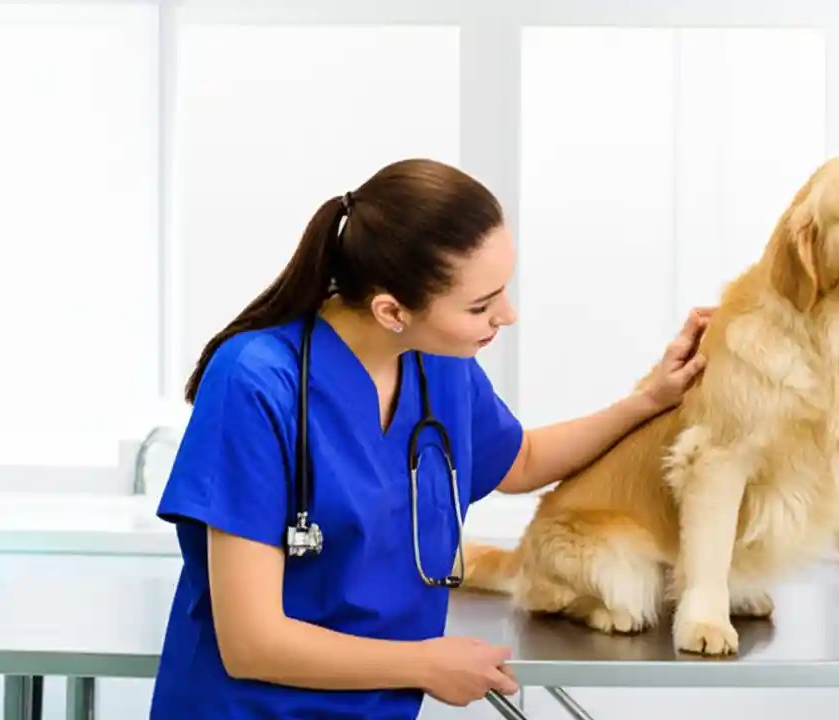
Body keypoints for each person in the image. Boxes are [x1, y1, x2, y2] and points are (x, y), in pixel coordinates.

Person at [149, 158, 712, 719]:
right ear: (391, 310)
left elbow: (521, 460)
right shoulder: (255, 381)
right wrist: (423, 664)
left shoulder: (438, 365)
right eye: (480, 305)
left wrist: (649, 401)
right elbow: (253, 643)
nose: (507, 315)